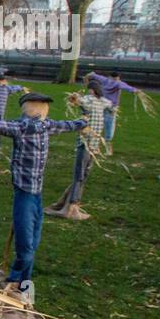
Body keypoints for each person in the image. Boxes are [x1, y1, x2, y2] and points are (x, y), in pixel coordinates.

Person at [0, 92, 85, 294]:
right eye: (42, 105)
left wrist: (82, 121)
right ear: (33, 108)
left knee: (32, 246)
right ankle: (13, 279)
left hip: (37, 197)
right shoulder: (23, 127)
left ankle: (25, 289)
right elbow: (0, 125)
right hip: (24, 197)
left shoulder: (46, 125)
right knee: (26, 249)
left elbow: (68, 125)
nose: (45, 108)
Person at [46, 81, 113, 221]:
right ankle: (66, 203)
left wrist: (75, 98)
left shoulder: (88, 99)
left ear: (92, 90)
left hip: (84, 143)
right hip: (94, 145)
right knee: (84, 174)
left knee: (79, 174)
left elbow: (79, 100)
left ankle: (71, 205)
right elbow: (111, 106)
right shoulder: (103, 102)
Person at [84, 70, 139, 148]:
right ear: (118, 78)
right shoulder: (118, 83)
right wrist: (135, 90)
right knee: (109, 124)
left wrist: (88, 78)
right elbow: (127, 87)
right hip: (111, 107)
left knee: (96, 122)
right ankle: (107, 143)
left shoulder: (105, 80)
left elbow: (93, 75)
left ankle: (92, 141)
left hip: (101, 104)